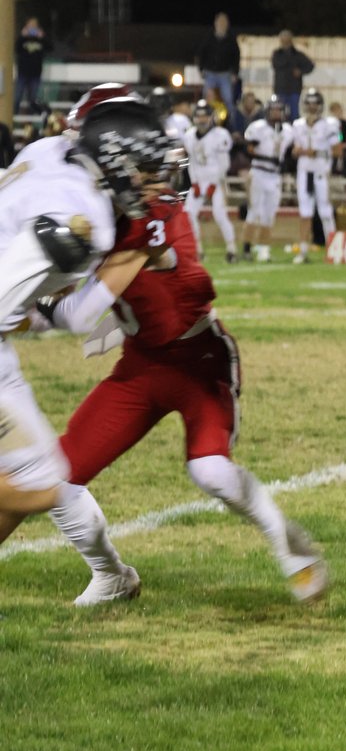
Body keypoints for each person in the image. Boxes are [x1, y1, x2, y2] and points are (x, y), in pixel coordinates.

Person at [33, 156, 327, 606]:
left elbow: (166, 290)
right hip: (141, 366)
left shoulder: (159, 222)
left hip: (200, 361)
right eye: (144, 175)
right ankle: (110, 574)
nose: (155, 187)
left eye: (155, 175)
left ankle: (286, 540)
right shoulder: (104, 220)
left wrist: (48, 308)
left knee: (210, 470)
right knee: (60, 477)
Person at [0, 95, 170, 603]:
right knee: (37, 486)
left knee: (44, 473)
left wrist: (24, 315)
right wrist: (132, 258)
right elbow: (62, 310)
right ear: (117, 161)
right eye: (144, 170)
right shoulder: (86, 216)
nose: (151, 183)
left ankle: (112, 575)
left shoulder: (53, 150)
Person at [182, 100, 237, 263]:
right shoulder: (189, 136)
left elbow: (224, 164)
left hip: (216, 180)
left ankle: (231, 249)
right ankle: (197, 249)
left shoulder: (220, 135)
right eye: (198, 116)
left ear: (211, 117)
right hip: (198, 181)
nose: (201, 119)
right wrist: (195, 183)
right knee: (189, 213)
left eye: (204, 116)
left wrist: (214, 183)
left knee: (220, 215)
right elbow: (191, 162)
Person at [290, 89, 340, 263]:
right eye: (309, 104)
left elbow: (338, 149)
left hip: (320, 172)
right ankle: (303, 251)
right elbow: (295, 149)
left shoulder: (330, 124)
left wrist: (316, 151)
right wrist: (297, 151)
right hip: (304, 172)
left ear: (320, 105)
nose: (311, 108)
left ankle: (334, 250)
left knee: (325, 211)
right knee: (305, 213)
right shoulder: (297, 125)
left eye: (315, 104)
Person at [241, 96, 291, 262]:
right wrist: (268, 158)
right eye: (273, 109)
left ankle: (264, 250)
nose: (276, 112)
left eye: (279, 109)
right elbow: (249, 149)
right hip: (259, 173)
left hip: (275, 176)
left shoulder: (288, 131)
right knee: (254, 212)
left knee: (269, 215)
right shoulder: (258, 127)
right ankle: (247, 247)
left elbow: (292, 150)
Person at [196, 12, 241, 116]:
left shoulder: (231, 40)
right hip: (210, 73)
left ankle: (230, 125)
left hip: (225, 74)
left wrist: (235, 73)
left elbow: (236, 57)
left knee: (228, 99)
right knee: (207, 99)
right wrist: (201, 69)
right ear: (215, 23)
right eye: (220, 22)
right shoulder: (208, 38)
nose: (222, 24)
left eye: (224, 22)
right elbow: (201, 54)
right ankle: (205, 120)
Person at [271, 30, 315, 123]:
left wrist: (301, 71)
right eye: (283, 40)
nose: (285, 42)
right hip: (280, 89)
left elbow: (310, 65)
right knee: (280, 112)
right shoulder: (277, 54)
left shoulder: (298, 55)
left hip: (294, 89)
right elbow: (276, 64)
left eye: (286, 40)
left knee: (294, 113)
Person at [14, 17, 51, 113]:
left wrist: (43, 37)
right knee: (17, 97)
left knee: (33, 100)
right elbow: (16, 49)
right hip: (22, 72)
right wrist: (22, 37)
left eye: (34, 26)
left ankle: (30, 122)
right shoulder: (22, 39)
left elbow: (50, 48)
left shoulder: (41, 40)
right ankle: (13, 116)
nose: (32, 28)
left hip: (36, 73)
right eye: (30, 26)